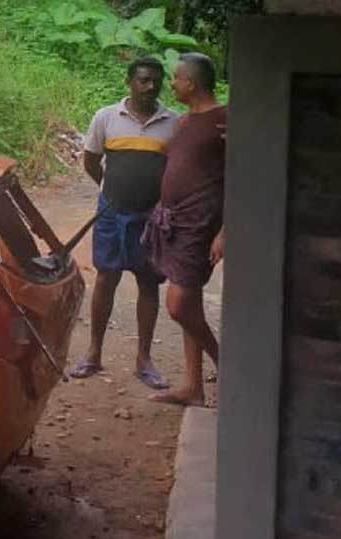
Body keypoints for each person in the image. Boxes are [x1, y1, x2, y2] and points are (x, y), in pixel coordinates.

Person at [67, 57, 177, 390]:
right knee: (106, 278)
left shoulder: (173, 122)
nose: (150, 86)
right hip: (112, 213)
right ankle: (93, 353)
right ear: (129, 82)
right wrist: (110, 190)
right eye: (143, 80)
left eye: (156, 80)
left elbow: (175, 169)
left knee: (148, 282)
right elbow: (90, 161)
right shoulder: (106, 117)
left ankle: (144, 360)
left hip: (151, 216)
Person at [144, 52, 226, 406]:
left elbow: (241, 178)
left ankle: (229, 364)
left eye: (176, 78)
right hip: (173, 222)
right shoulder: (182, 122)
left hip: (200, 225)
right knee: (188, 302)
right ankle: (193, 386)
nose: (171, 84)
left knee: (178, 305)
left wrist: (226, 231)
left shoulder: (225, 122)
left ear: (191, 83)